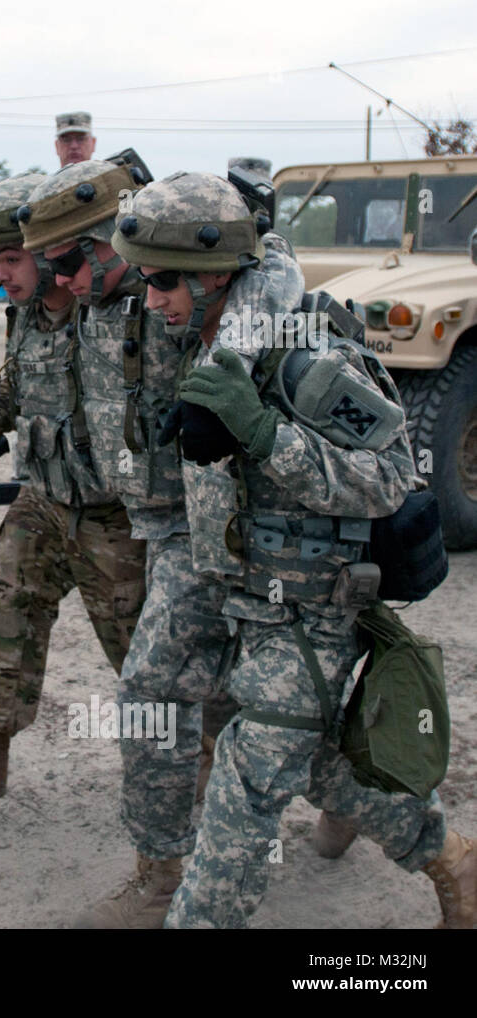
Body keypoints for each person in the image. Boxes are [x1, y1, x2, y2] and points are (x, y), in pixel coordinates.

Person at [114, 170, 475, 929]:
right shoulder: (204, 340)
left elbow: (392, 479)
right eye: (146, 281)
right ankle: (449, 856)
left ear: (218, 272)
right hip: (231, 591)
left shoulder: (304, 357)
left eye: (166, 282)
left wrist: (267, 434)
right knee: (309, 759)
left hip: (308, 612)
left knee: (244, 787)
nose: (153, 300)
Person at [16, 161, 243, 927]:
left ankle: (161, 877)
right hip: (153, 526)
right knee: (204, 692)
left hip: (217, 532)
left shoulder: (194, 293)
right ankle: (166, 872)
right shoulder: (102, 302)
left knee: (196, 693)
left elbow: (262, 265)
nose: (63, 280)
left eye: (72, 262)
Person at [0, 174, 146, 796]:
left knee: (146, 655)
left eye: (11, 259)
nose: (0, 274)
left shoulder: (117, 302)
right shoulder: (29, 315)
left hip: (115, 515)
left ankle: (217, 760)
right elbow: (15, 389)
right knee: (7, 606)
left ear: (49, 251)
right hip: (43, 500)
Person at [0, 112, 99, 338]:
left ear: (93, 143)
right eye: (66, 140)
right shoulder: (41, 197)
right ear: (56, 146)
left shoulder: (111, 195)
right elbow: (21, 242)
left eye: (81, 139)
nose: (74, 146)